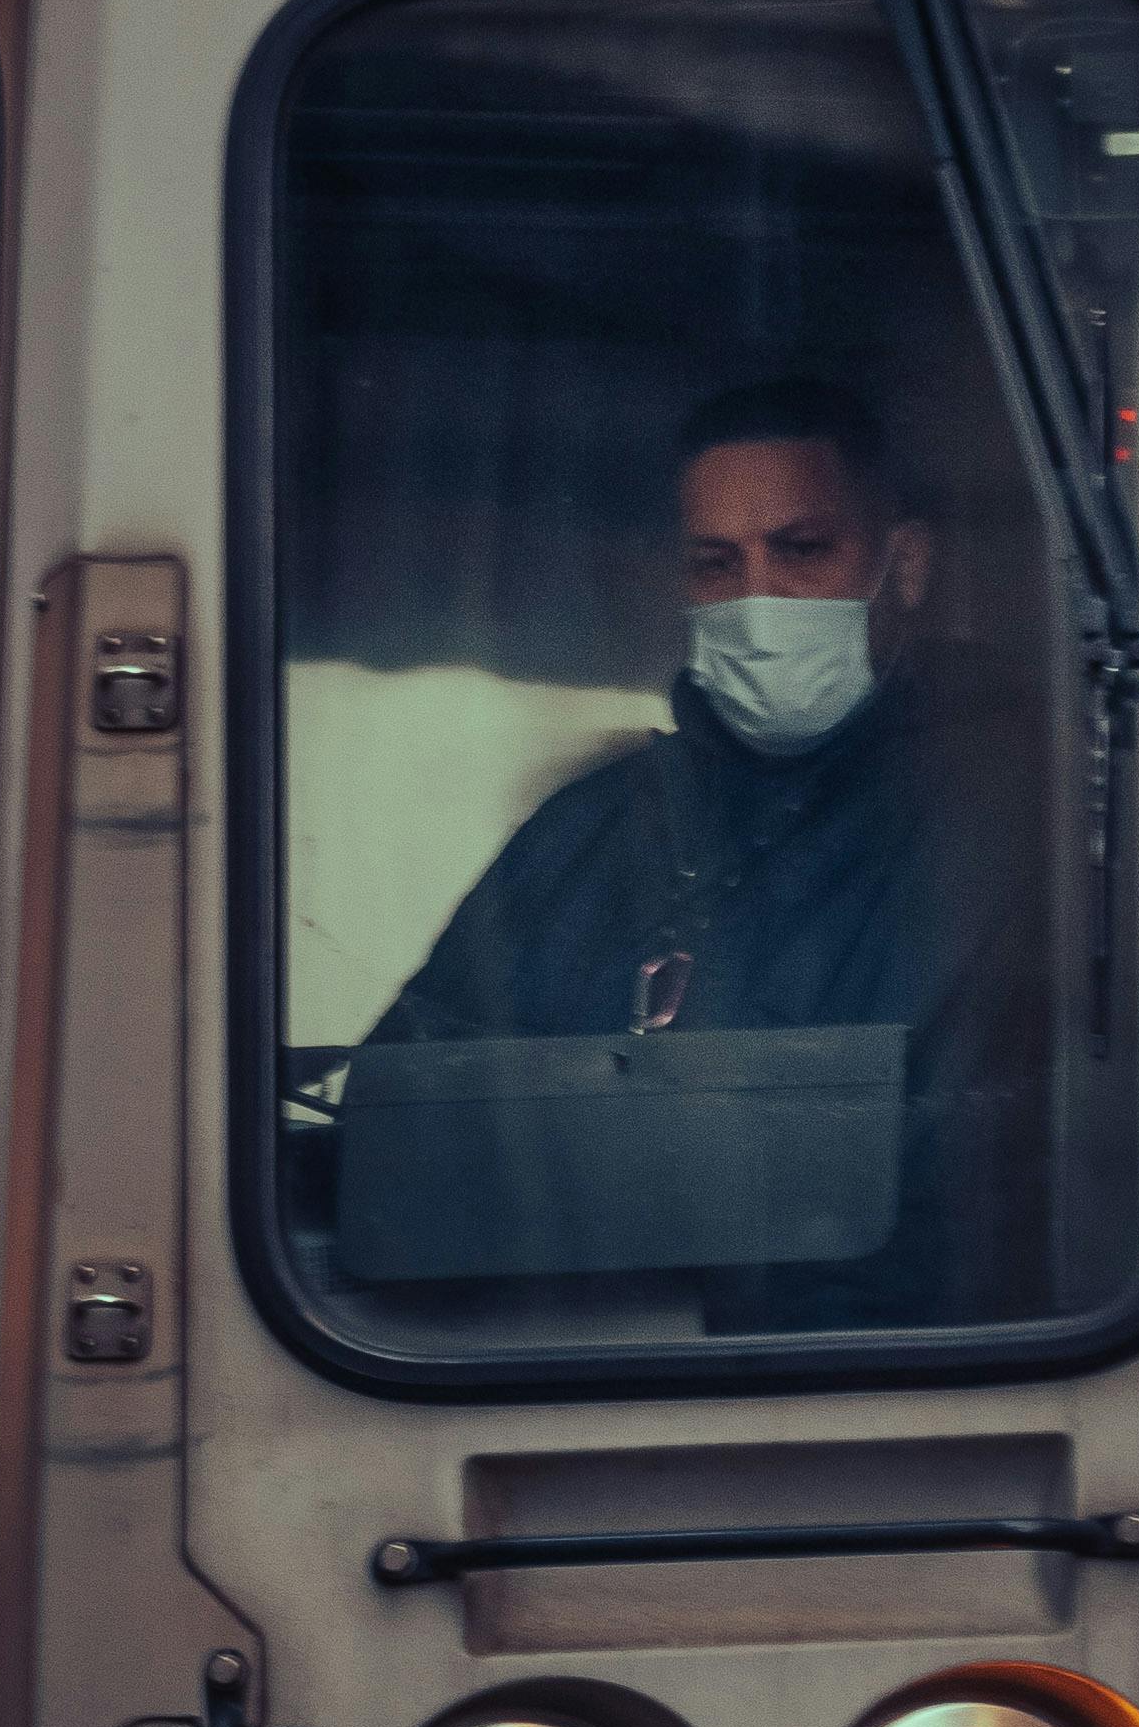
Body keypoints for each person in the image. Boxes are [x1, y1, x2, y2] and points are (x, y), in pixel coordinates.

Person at [362, 373, 1046, 1327]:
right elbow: (400, 1144)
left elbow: (975, 1205)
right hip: (554, 1387)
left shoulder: (1009, 830)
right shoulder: (584, 834)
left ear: (909, 565)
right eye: (716, 563)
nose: (757, 602)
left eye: (803, 551)